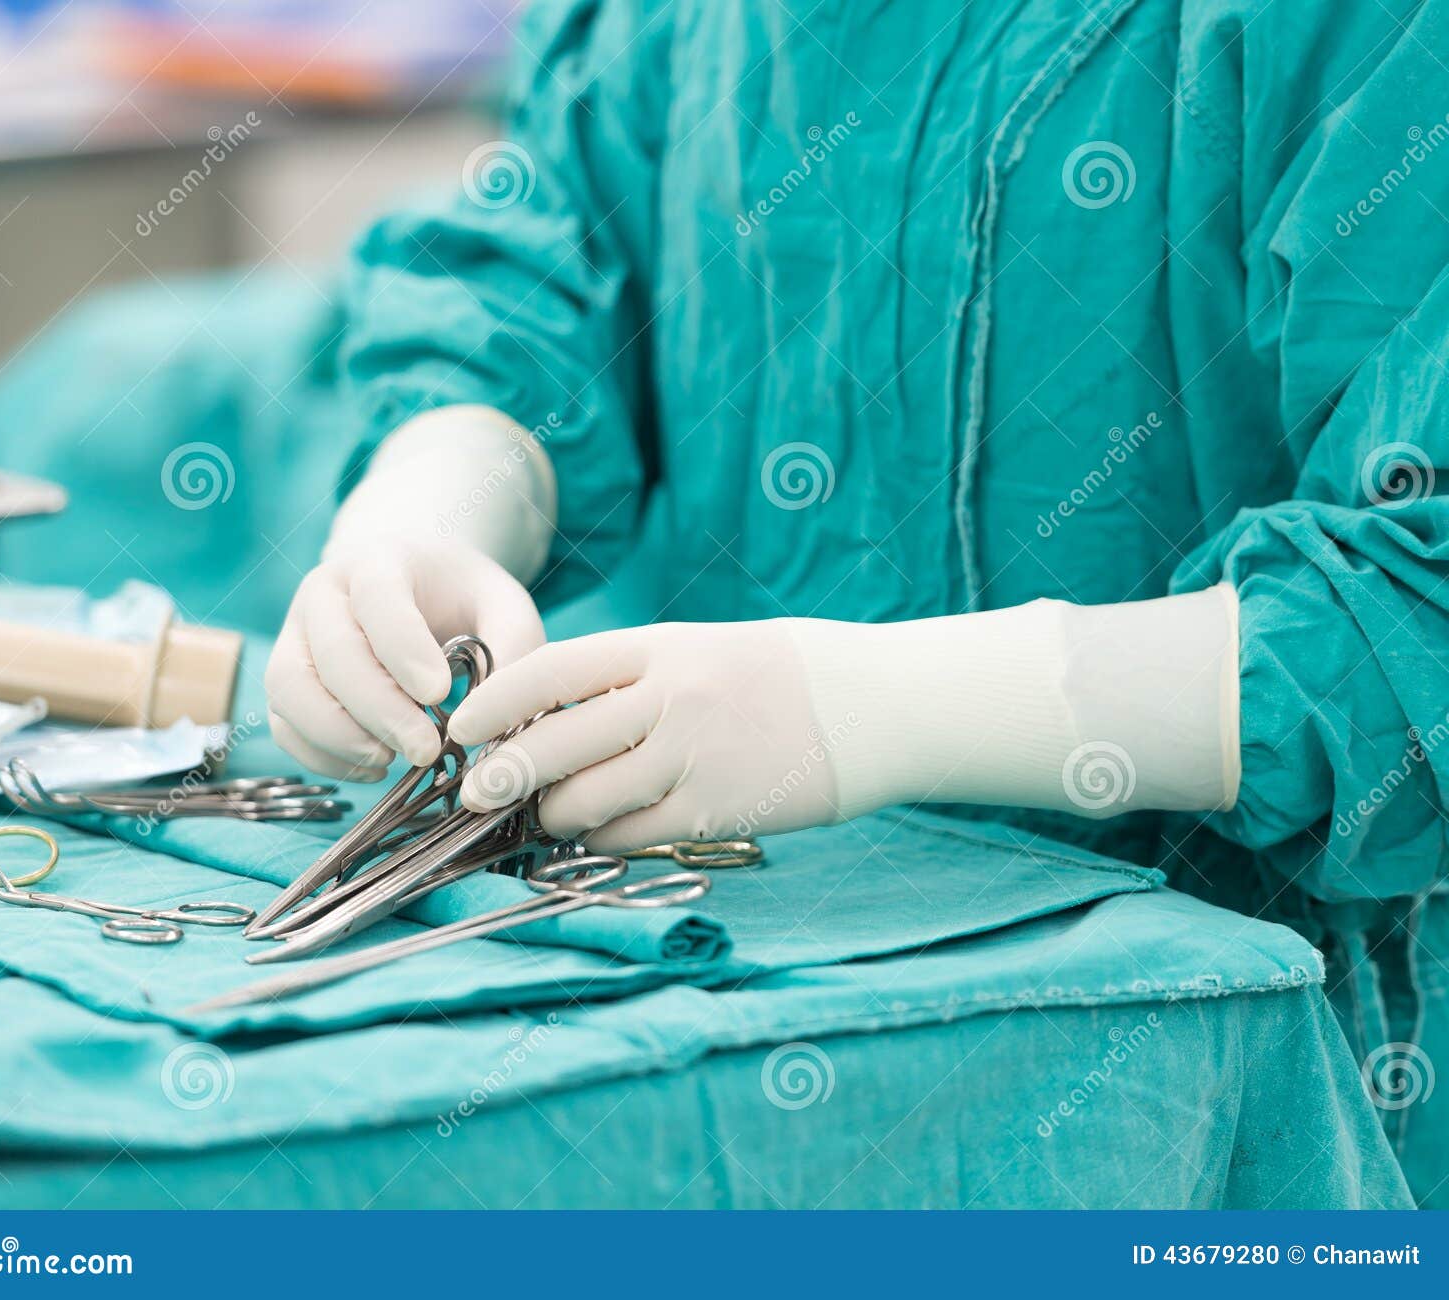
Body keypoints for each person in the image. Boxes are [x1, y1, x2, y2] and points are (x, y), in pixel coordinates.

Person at [265, 1, 1449, 1201]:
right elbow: (557, 251)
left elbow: (1425, 610)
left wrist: (881, 706)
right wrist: (445, 485)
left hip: (1232, 1110)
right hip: (730, 1030)